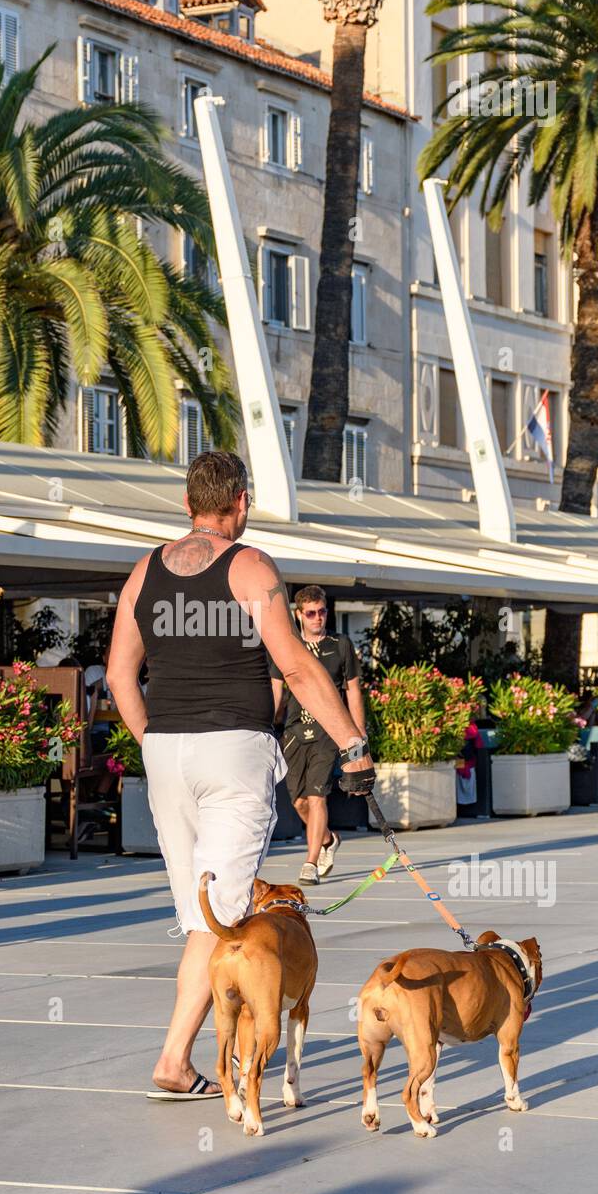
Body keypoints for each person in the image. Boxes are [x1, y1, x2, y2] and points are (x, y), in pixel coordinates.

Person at [107, 450, 374, 1100]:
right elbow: (298, 667)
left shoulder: (145, 571)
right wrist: (352, 745)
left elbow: (118, 674)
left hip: (165, 751)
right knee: (218, 914)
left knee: (203, 914)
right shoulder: (250, 566)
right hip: (234, 750)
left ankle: (184, 1056)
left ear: (187, 504)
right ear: (242, 504)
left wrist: (155, 742)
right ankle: (172, 1061)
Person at [270, 586, 366, 885]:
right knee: (299, 802)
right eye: (310, 613)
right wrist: (262, 728)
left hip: (329, 730)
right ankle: (327, 839)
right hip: (294, 731)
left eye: (322, 611)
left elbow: (353, 691)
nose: (317, 618)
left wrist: (358, 738)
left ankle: (310, 862)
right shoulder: (286, 646)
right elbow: (276, 695)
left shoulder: (340, 645)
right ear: (299, 615)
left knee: (317, 796)